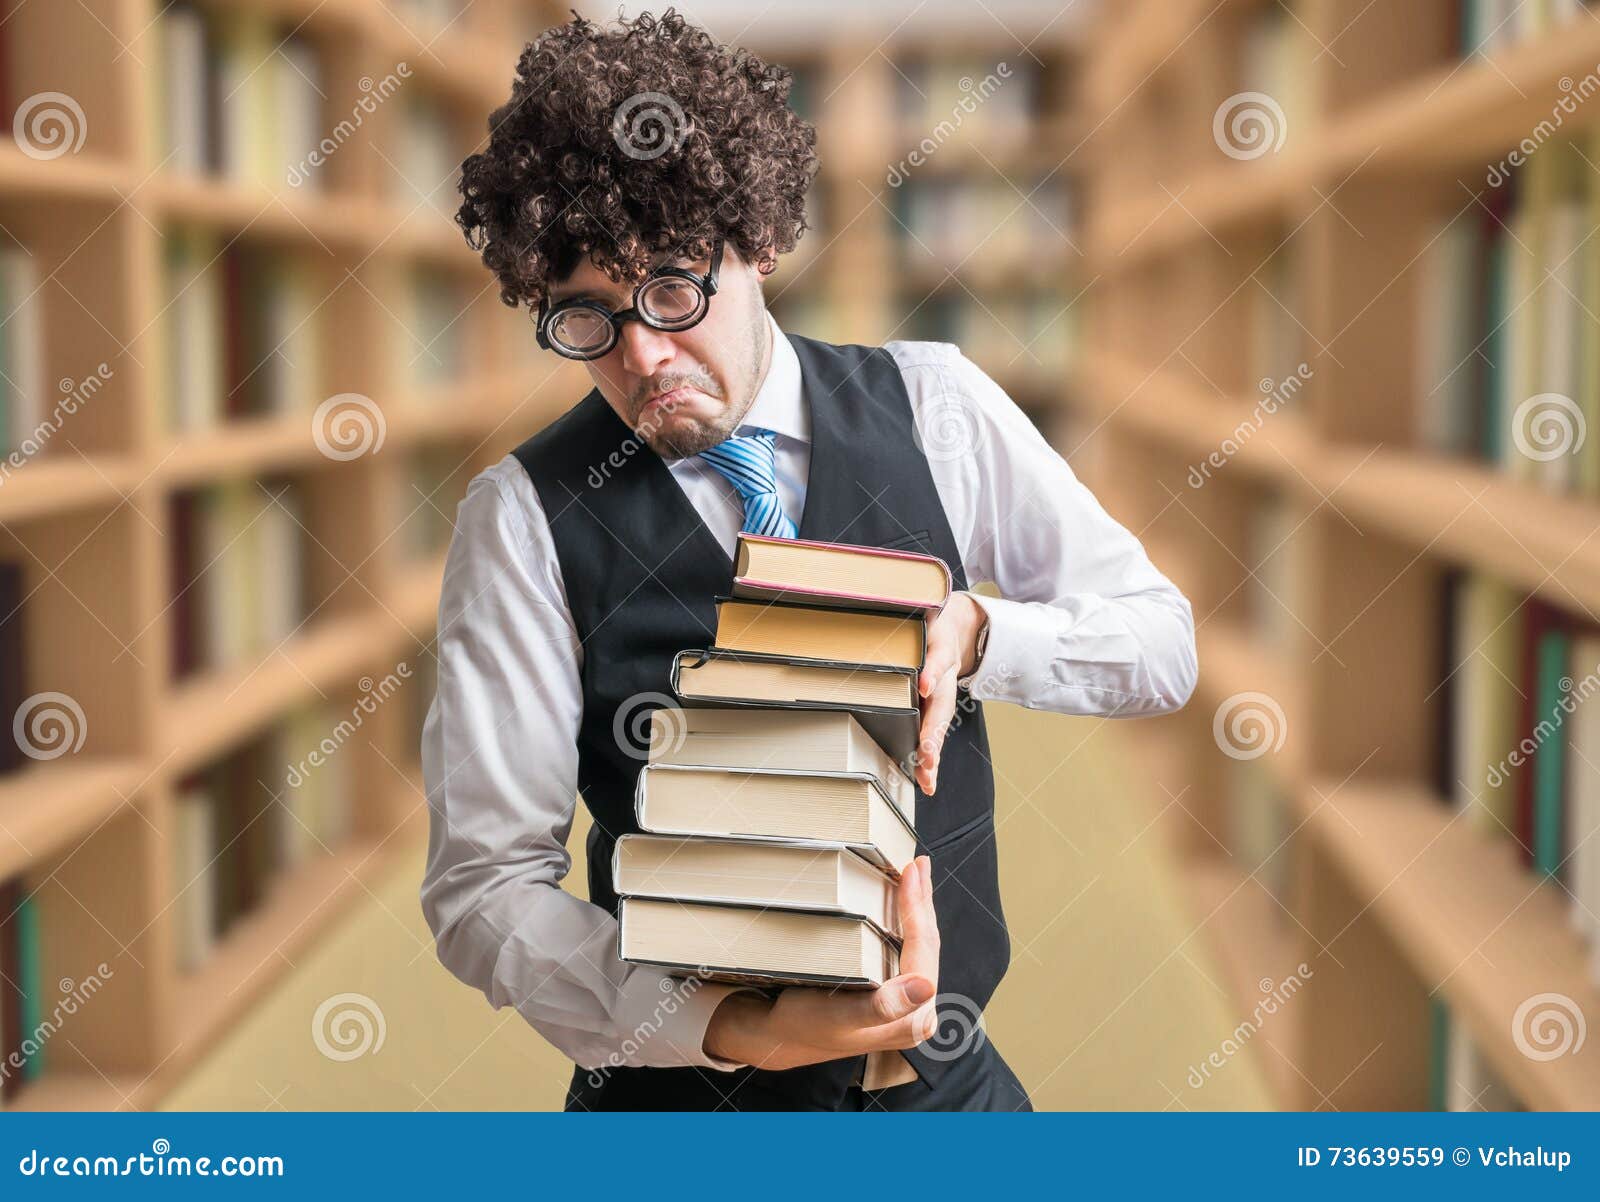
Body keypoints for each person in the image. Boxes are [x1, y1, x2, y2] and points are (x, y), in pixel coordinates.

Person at [420, 8, 1197, 1112]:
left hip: (945, 1092)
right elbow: (484, 889)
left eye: (672, 289)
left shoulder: (937, 406)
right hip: (680, 1110)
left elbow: (1162, 645)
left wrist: (981, 633)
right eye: (587, 319)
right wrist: (733, 1027)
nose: (644, 357)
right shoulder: (520, 517)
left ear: (761, 241)